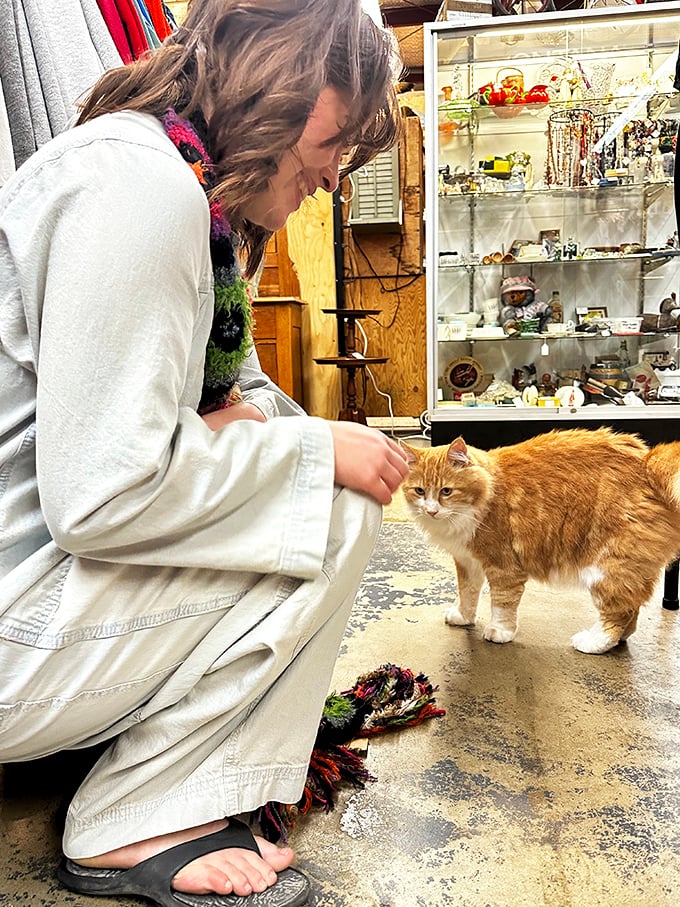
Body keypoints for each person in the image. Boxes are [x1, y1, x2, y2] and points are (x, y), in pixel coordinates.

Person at [0, 1, 409, 904]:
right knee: (331, 496)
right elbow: (102, 496)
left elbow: (237, 403)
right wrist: (301, 453)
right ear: (288, 73)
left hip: (23, 598)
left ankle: (165, 778)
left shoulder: (173, 182)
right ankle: (138, 812)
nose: (336, 175)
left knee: (315, 464)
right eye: (340, 137)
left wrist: (259, 436)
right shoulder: (141, 190)